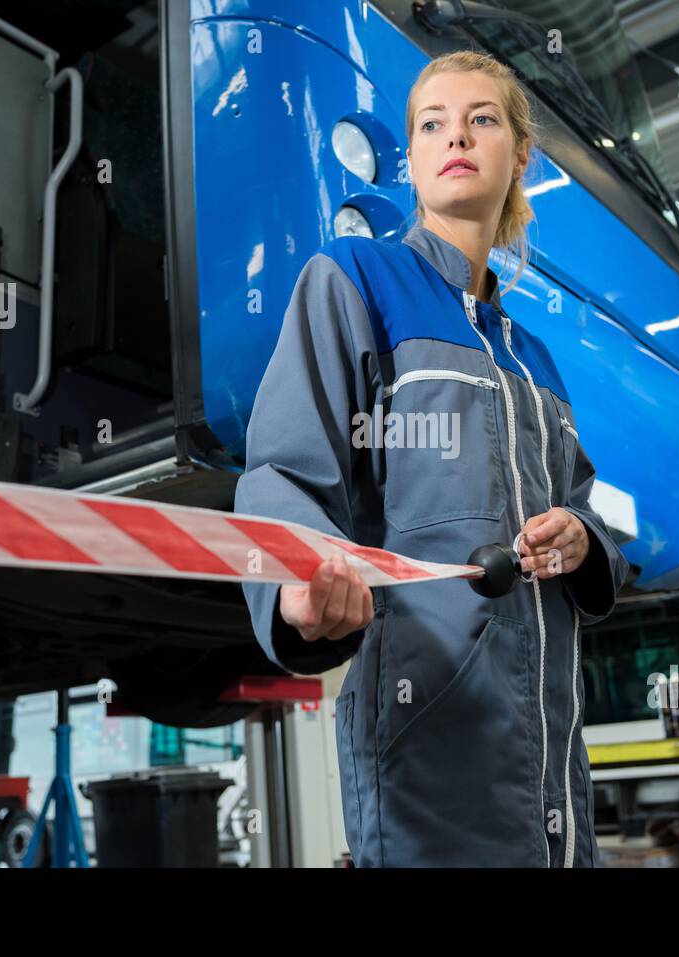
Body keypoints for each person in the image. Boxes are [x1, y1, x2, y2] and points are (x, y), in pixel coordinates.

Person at [233, 50, 627, 867]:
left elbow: (586, 501)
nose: (457, 135)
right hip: (430, 740)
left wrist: (583, 538)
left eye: (483, 118)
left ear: (521, 155)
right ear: (409, 159)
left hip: (552, 760)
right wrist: (294, 589)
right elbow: (281, 472)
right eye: (431, 124)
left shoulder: (535, 358)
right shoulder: (355, 279)